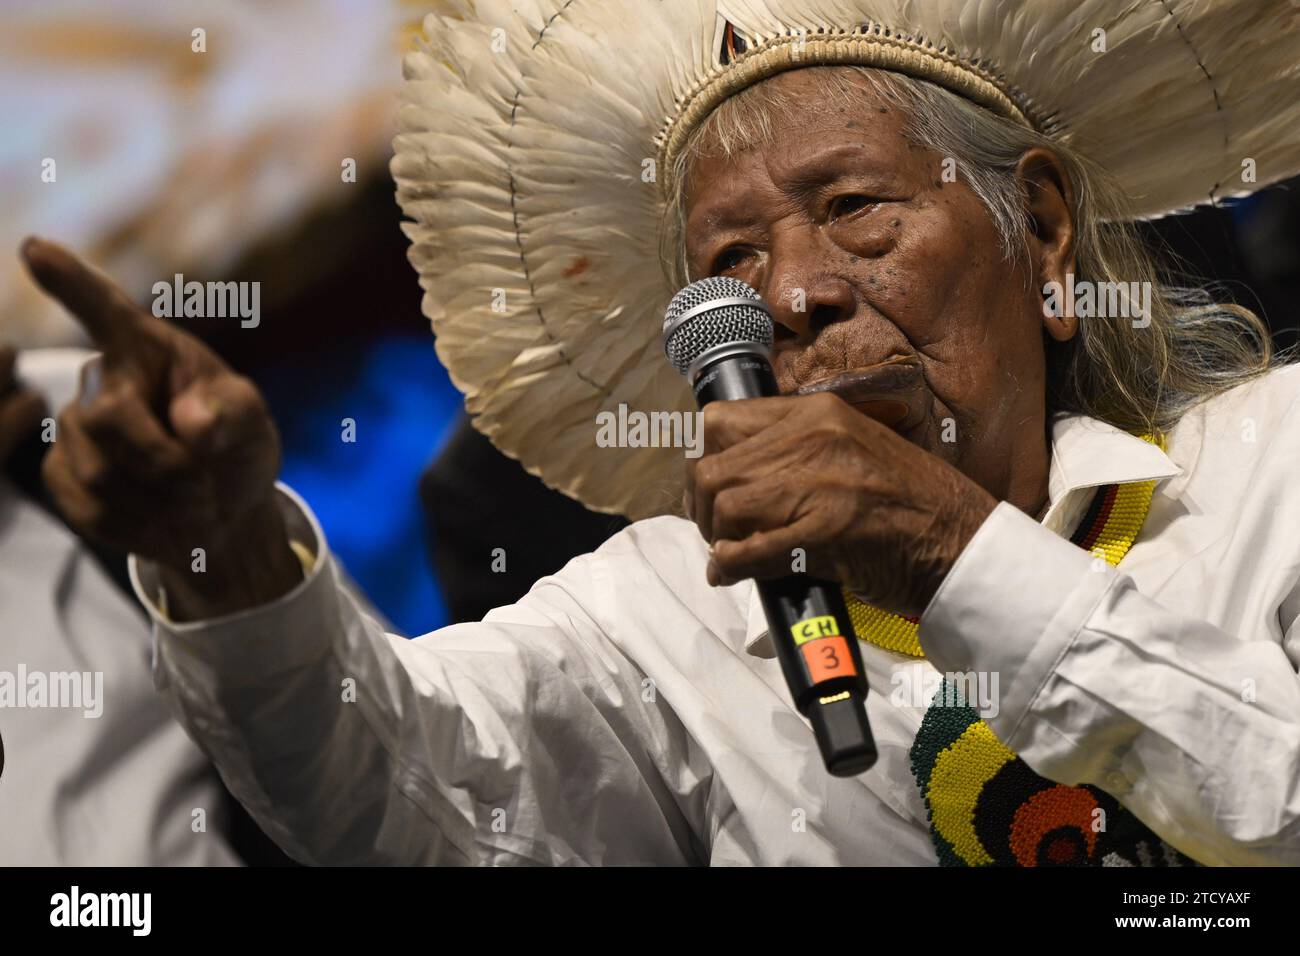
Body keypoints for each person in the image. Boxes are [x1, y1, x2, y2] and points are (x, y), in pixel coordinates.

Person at [21, 1, 1300, 865]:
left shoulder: (1268, 466)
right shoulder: (669, 613)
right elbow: (381, 790)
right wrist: (226, 547)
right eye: (730, 259)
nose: (792, 293)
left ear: (1044, 232)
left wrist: (949, 549)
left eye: (855, 208)